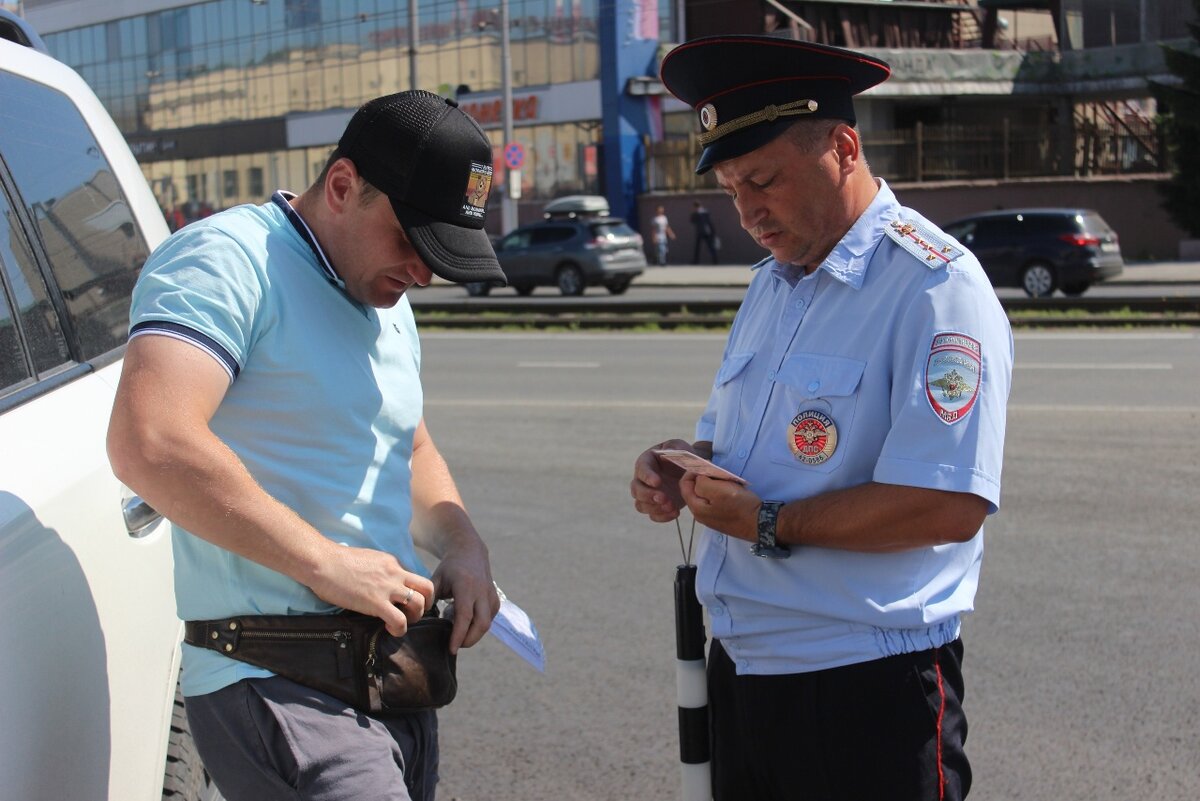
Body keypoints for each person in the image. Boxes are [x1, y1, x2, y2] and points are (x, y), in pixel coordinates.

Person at [630, 36, 1013, 801]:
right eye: (734, 187)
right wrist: (687, 461)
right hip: (745, 672)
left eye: (764, 181)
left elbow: (951, 501)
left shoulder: (934, 288)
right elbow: (749, 445)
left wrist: (768, 520)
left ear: (843, 147)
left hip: (866, 689)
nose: (747, 212)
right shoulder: (775, 283)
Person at [107, 90, 507, 801]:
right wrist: (325, 563)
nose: (422, 273)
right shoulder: (228, 260)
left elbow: (409, 448)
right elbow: (152, 440)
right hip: (275, 675)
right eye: (411, 242)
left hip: (393, 675)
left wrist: (462, 543)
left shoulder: (383, 296)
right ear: (345, 186)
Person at [689, 199, 719, 264]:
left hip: (702, 232)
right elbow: (709, 222)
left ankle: (697, 261)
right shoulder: (705, 212)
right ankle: (714, 260)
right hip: (705, 232)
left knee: (706, 246)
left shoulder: (700, 213)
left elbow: (692, 220)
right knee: (708, 246)